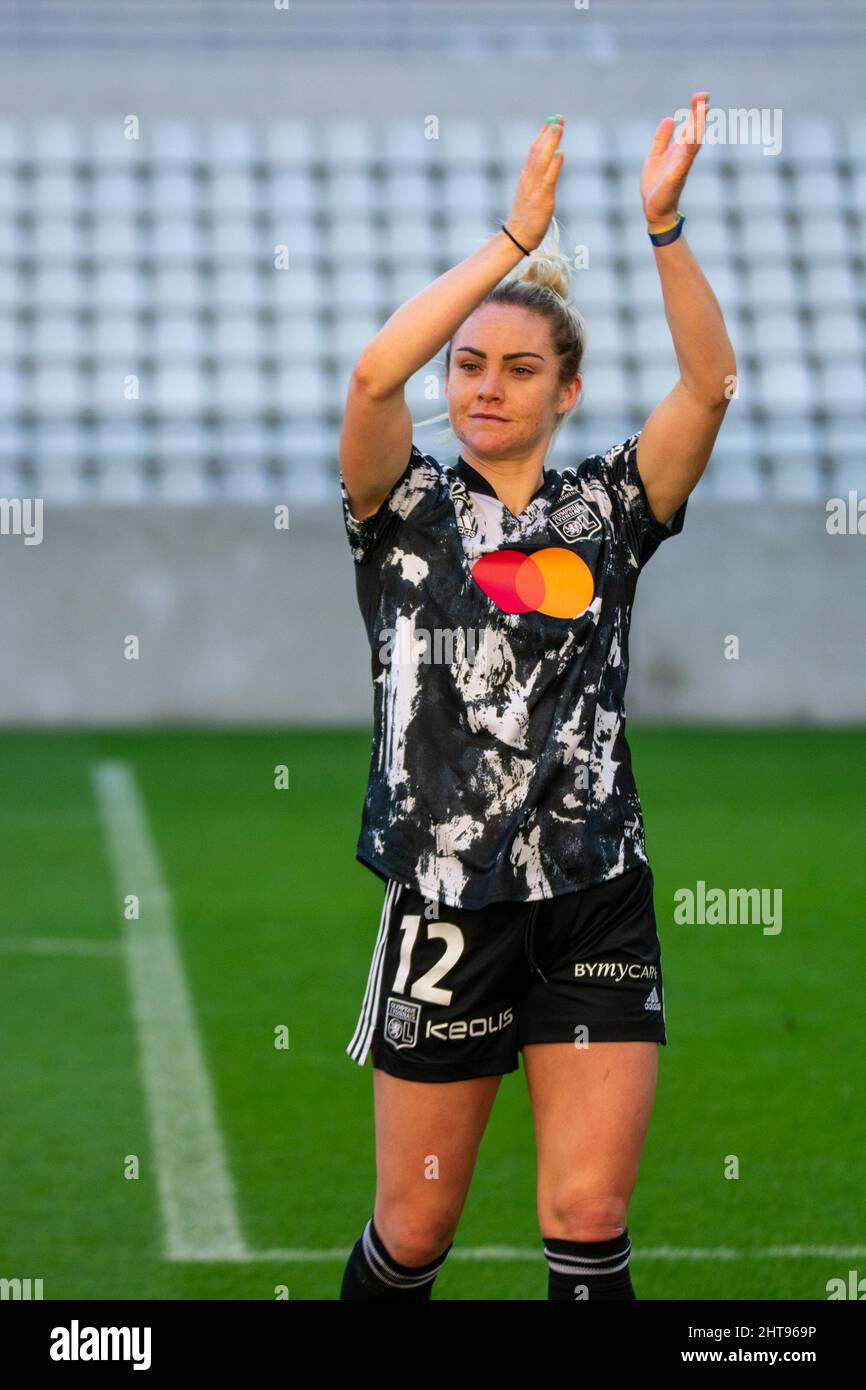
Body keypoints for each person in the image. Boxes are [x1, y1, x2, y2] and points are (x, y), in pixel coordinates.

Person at [337, 94, 735, 1301]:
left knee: (585, 1214)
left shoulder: (606, 508)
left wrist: (660, 226)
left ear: (566, 392)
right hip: (449, 905)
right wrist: (510, 248)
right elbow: (370, 373)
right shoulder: (399, 503)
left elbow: (708, 387)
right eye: (469, 364)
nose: (486, 386)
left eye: (519, 367)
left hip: (593, 894)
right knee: (413, 1232)